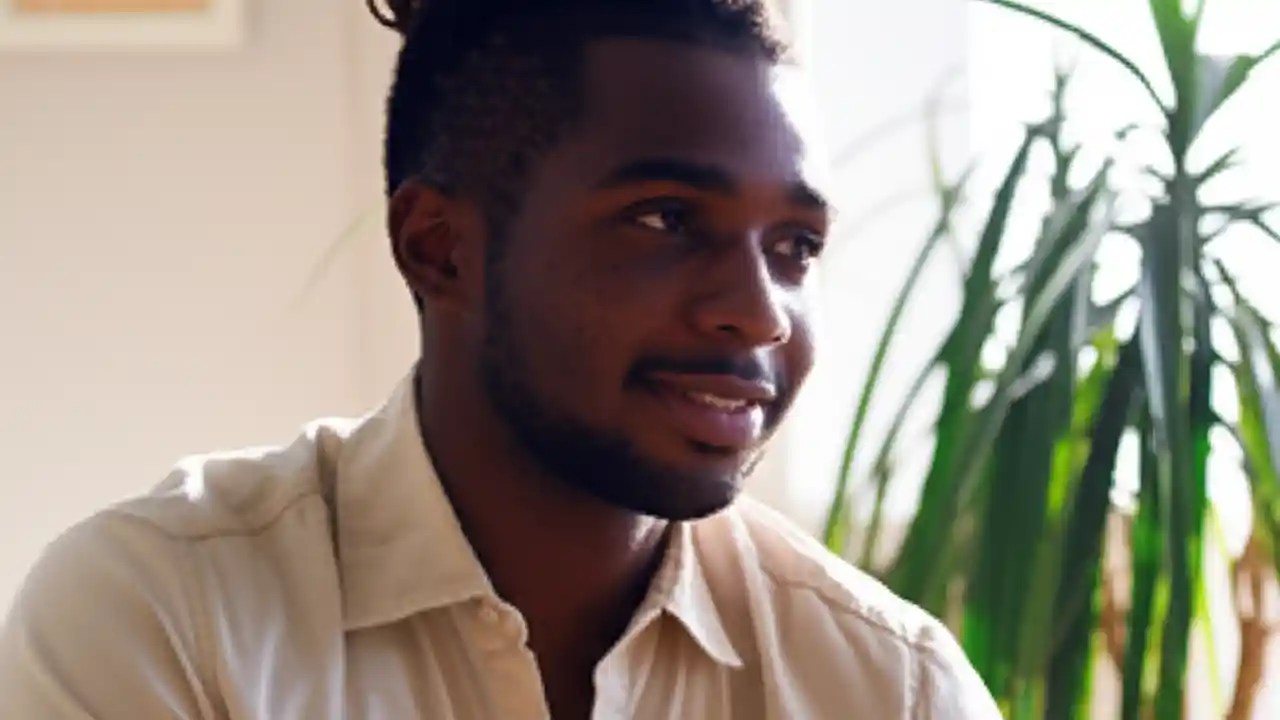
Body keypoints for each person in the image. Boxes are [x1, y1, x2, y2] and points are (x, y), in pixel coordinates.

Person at [0, 1, 999, 717]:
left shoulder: (888, 685)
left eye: (795, 247)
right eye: (664, 219)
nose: (759, 314)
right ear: (439, 248)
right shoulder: (165, 615)